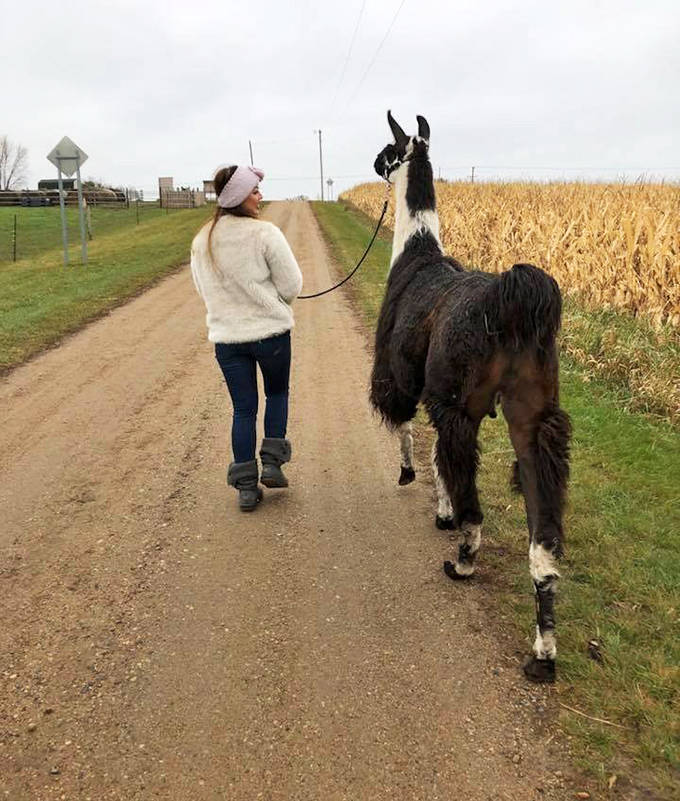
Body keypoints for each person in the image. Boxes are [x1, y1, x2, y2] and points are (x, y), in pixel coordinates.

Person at [190, 165, 303, 511]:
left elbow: (202, 289)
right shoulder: (265, 234)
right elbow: (292, 285)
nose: (260, 196)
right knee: (277, 393)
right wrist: (273, 300)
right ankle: (271, 463)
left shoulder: (201, 240)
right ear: (239, 196)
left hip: (228, 339)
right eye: (254, 191)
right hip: (270, 333)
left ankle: (246, 488)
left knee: (243, 409)